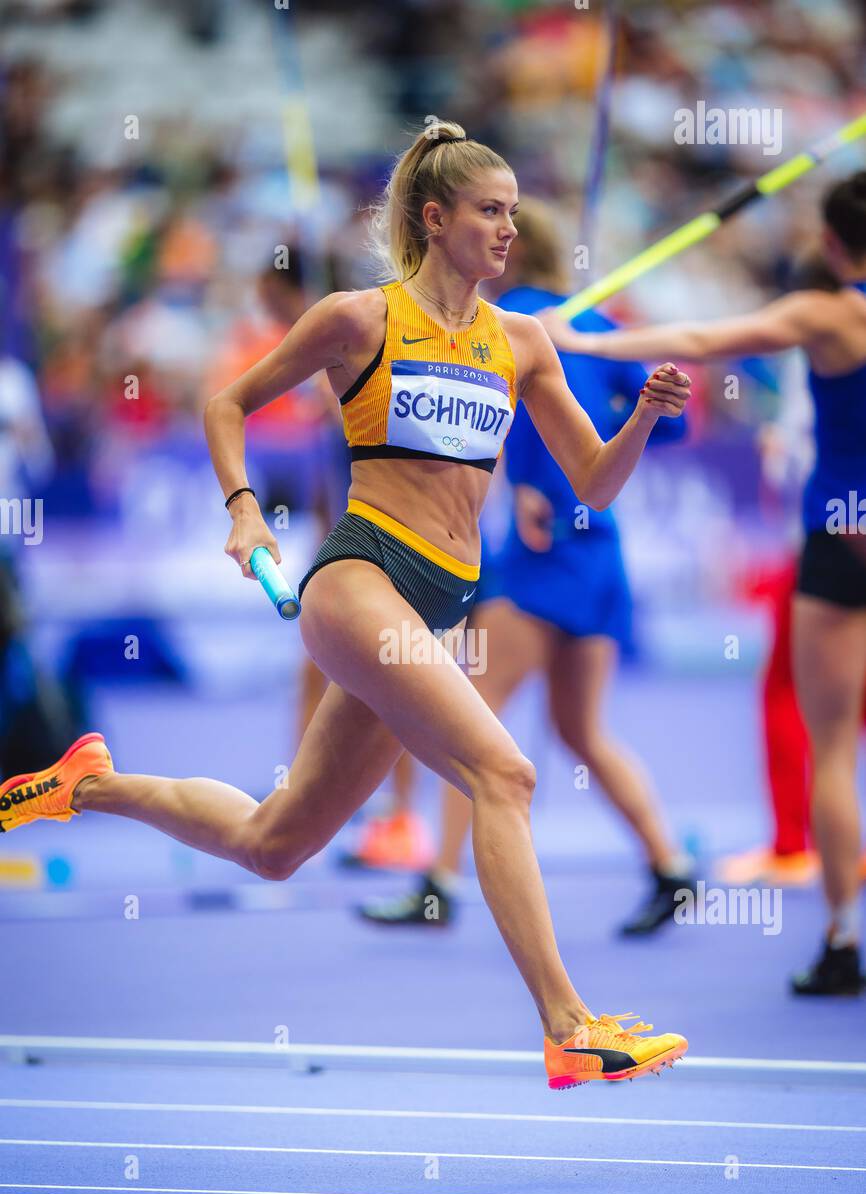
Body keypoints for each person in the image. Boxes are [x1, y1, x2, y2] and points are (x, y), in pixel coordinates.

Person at [0, 123, 691, 1088]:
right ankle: (569, 1026)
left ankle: (90, 783)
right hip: (360, 580)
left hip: (439, 603)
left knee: (274, 844)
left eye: (513, 213)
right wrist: (244, 512)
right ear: (434, 218)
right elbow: (227, 403)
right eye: (488, 211)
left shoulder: (524, 341)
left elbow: (597, 484)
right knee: (505, 772)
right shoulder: (358, 318)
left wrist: (646, 418)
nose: (507, 229)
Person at [542, 170, 866, 997]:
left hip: (841, 540)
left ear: (830, 245)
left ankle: (841, 940)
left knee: (834, 751)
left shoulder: (827, 313)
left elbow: (705, 338)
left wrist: (582, 340)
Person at [359, 195, 696, 936]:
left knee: (466, 721)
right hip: (602, 546)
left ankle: (438, 884)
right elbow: (675, 423)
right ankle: (671, 866)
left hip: (547, 556)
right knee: (581, 730)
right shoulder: (596, 326)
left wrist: (536, 486)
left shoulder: (510, 330)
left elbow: (497, 419)